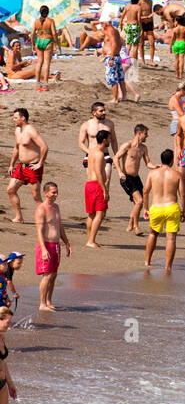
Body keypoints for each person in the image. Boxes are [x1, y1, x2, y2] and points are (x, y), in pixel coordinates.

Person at [143, 150, 185, 274]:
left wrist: (146, 208)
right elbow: (183, 194)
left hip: (156, 207)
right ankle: (167, 267)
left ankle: (147, 261)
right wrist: (184, 210)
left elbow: (145, 191)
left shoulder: (153, 173)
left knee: (152, 234)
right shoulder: (177, 174)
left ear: (161, 160)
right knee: (171, 239)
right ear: (172, 160)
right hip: (171, 207)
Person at [33, 182, 70, 310]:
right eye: (53, 192)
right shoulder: (41, 209)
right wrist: (43, 249)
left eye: (56, 192)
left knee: (53, 275)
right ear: (46, 193)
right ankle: (42, 303)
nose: (56, 194)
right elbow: (39, 231)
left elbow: (59, 226)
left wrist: (66, 243)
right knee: (47, 275)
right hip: (46, 245)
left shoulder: (56, 207)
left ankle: (48, 301)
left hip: (56, 245)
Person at [7, 107, 48, 222]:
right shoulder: (17, 131)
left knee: (36, 196)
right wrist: (11, 164)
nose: (13, 120)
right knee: (10, 189)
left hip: (33, 166)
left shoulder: (31, 130)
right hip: (21, 166)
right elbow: (16, 148)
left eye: (15, 118)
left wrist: (40, 163)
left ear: (23, 118)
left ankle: (44, 218)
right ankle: (19, 217)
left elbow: (44, 146)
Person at [114, 124, 155, 235]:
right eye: (145, 134)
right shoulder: (127, 145)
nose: (147, 136)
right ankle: (136, 227)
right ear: (139, 133)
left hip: (136, 178)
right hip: (126, 177)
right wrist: (119, 172)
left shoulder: (143, 148)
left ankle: (130, 225)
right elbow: (115, 158)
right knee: (140, 201)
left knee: (137, 203)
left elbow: (148, 163)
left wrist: (157, 167)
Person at [78, 101, 118, 184]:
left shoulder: (109, 124)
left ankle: (105, 196)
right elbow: (81, 143)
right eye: (101, 111)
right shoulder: (86, 125)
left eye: (104, 110)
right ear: (94, 112)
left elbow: (113, 140)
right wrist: (90, 152)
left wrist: (116, 156)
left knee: (106, 182)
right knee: (93, 182)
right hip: (91, 156)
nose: (104, 112)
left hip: (105, 154)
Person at [84, 130, 111, 248]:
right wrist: (105, 189)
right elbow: (99, 173)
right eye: (109, 139)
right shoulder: (100, 154)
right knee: (100, 214)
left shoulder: (91, 151)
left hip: (89, 184)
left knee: (91, 214)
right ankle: (91, 240)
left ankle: (90, 239)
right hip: (96, 185)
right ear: (104, 140)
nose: (110, 141)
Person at [31, 4, 60, 90]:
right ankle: (46, 82)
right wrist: (57, 43)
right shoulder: (50, 21)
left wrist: (33, 44)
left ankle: (37, 81)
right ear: (48, 12)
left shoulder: (36, 21)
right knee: (47, 63)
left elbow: (32, 33)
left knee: (39, 62)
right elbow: (54, 33)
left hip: (39, 41)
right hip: (47, 41)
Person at [0, 305, 18, 404]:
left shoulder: (2, 337)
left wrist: (11, 384)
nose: (9, 325)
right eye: (7, 322)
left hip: (2, 384)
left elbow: (3, 362)